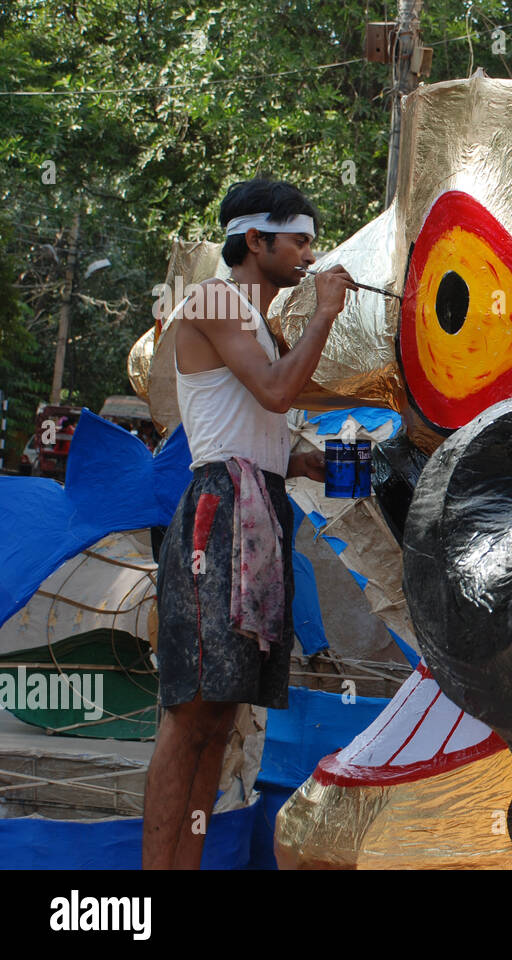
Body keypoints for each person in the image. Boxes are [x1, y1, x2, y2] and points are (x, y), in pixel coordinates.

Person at [142, 177, 356, 869]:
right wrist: (325, 313)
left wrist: (309, 461)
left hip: (259, 504)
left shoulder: (260, 326)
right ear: (254, 239)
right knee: (190, 716)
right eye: (297, 241)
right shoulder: (212, 300)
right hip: (220, 512)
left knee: (221, 718)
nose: (308, 256)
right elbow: (275, 390)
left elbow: (258, 425)